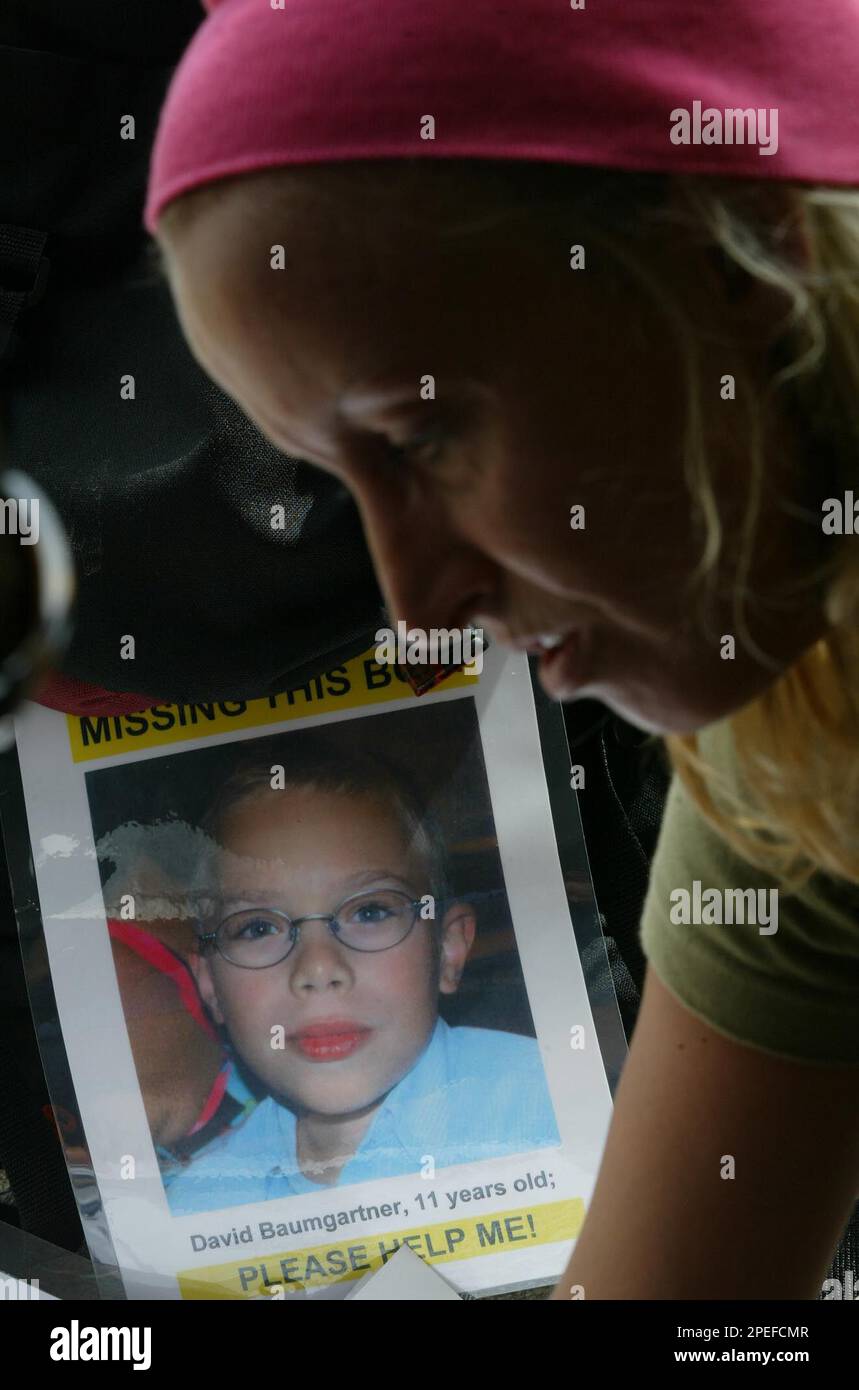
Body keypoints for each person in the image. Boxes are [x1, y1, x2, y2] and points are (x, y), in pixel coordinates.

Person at [143, 0, 859, 1296]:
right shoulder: (795, 757)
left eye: (420, 440)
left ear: (740, 262)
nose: (413, 605)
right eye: (336, 479)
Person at [165, 738, 559, 1215]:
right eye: (258, 927)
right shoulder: (196, 1209)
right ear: (210, 986)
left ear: (449, 949)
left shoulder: (559, 1108)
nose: (318, 969)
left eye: (370, 912)